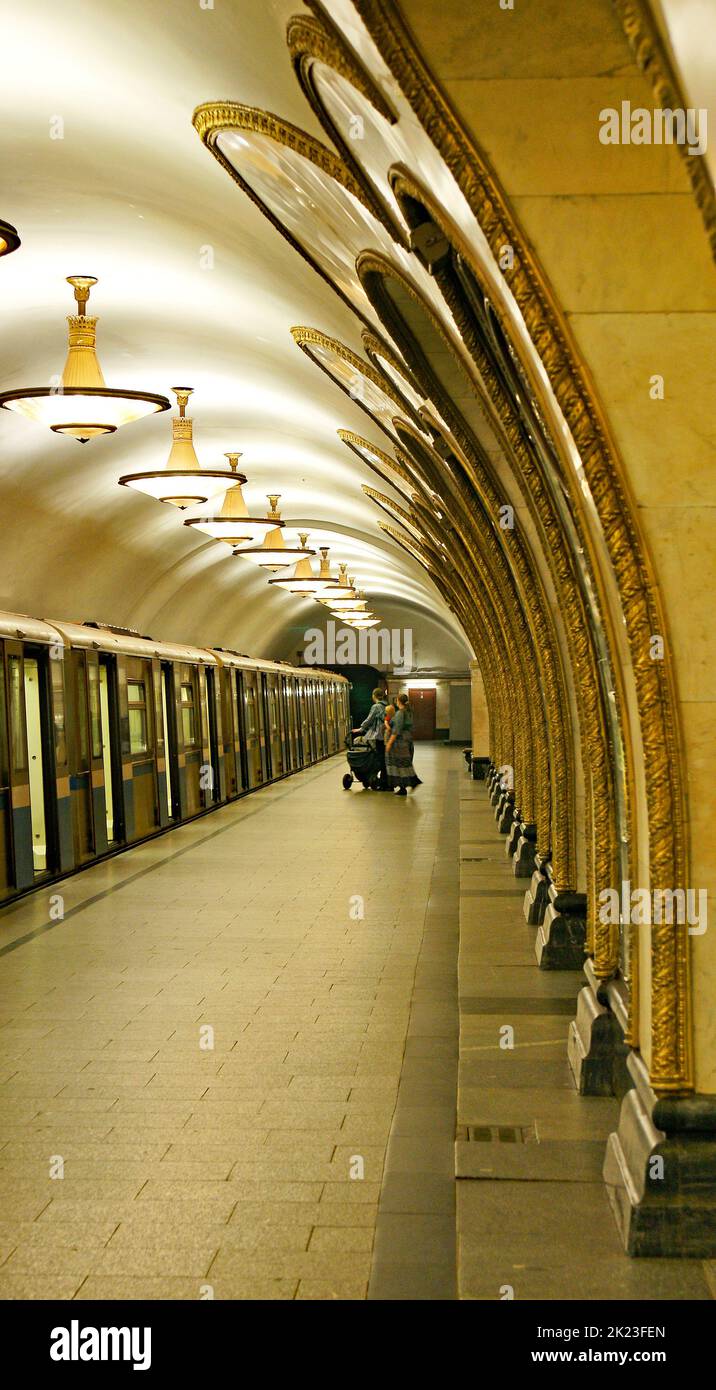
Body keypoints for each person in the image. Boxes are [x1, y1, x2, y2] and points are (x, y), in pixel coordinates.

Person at [385, 693, 422, 795]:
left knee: (399, 764)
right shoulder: (409, 712)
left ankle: (407, 785)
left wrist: (389, 743)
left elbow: (396, 730)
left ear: (398, 701)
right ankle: (406, 785)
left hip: (400, 742)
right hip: (408, 739)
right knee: (405, 763)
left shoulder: (400, 713)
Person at [355, 686, 389, 789]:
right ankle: (385, 781)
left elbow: (369, 719)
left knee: (379, 759)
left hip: (378, 736)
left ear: (374, 696)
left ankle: (382, 782)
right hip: (386, 735)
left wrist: (361, 729)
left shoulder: (376, 707)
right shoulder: (387, 705)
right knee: (384, 759)